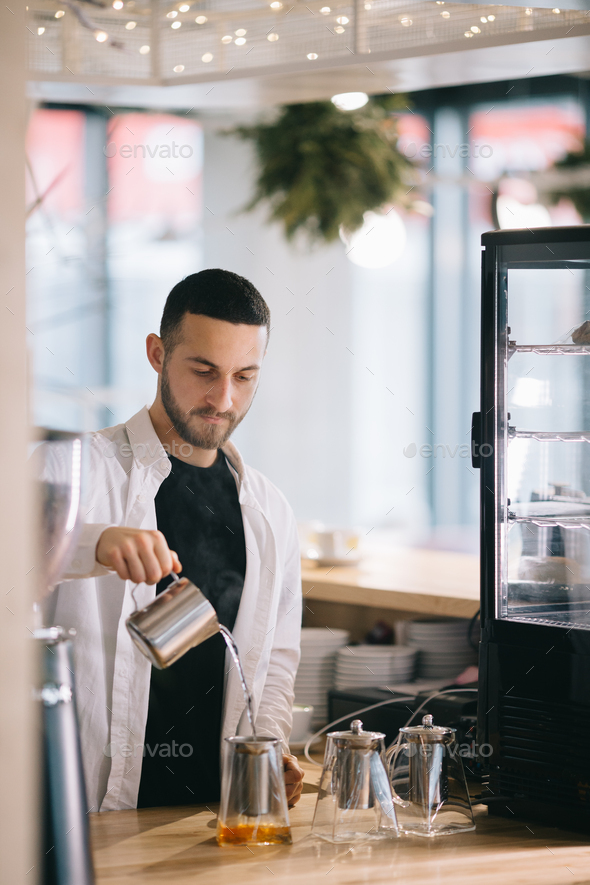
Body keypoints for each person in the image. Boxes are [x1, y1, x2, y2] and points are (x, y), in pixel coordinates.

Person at [48, 269, 304, 812]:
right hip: (92, 812)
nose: (222, 398)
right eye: (204, 370)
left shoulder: (269, 511)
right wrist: (90, 542)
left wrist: (273, 743)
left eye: (245, 376)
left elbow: (276, 656)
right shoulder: (77, 472)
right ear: (158, 354)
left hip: (214, 817)